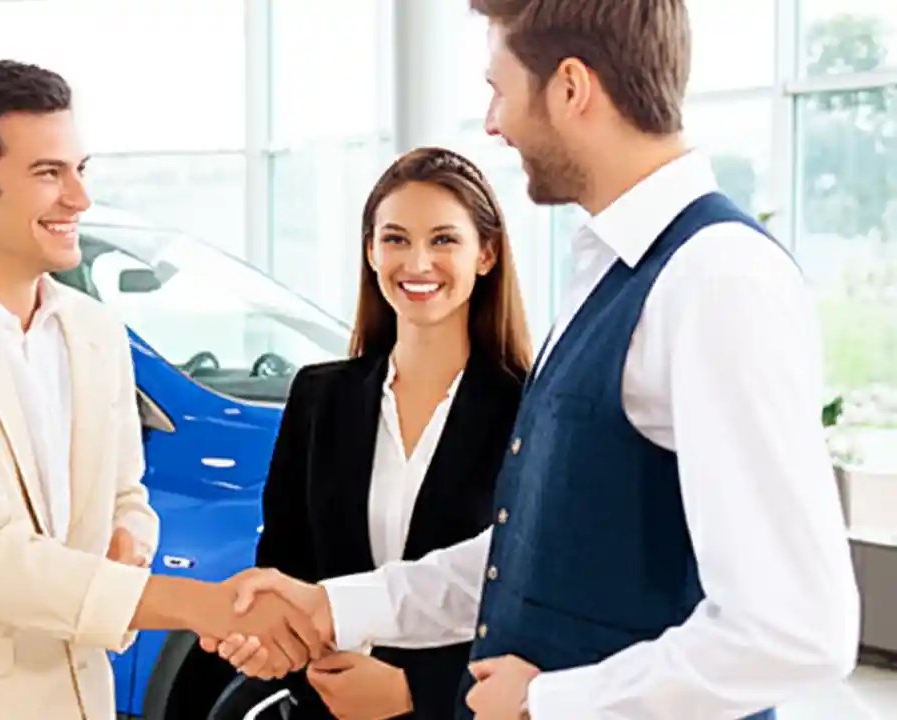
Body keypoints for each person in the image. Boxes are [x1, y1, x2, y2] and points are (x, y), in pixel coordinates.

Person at [206, 1, 861, 718]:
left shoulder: (718, 280)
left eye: (499, 87)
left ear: (570, 87)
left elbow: (795, 631)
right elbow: (526, 552)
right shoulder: (608, 276)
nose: (493, 123)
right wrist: (334, 605)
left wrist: (548, 701)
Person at [0, 60, 324, 720]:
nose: (79, 198)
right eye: (48, 173)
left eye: (80, 168)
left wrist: (129, 541)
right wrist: (204, 604)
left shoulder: (95, 332)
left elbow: (127, 492)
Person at [209, 147, 531, 720]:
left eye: (443, 240)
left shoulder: (528, 409)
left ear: (486, 253)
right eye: (396, 239)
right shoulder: (320, 397)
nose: (417, 262)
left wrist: (419, 692)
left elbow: (528, 601)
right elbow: (288, 569)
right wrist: (269, 645)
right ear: (370, 250)